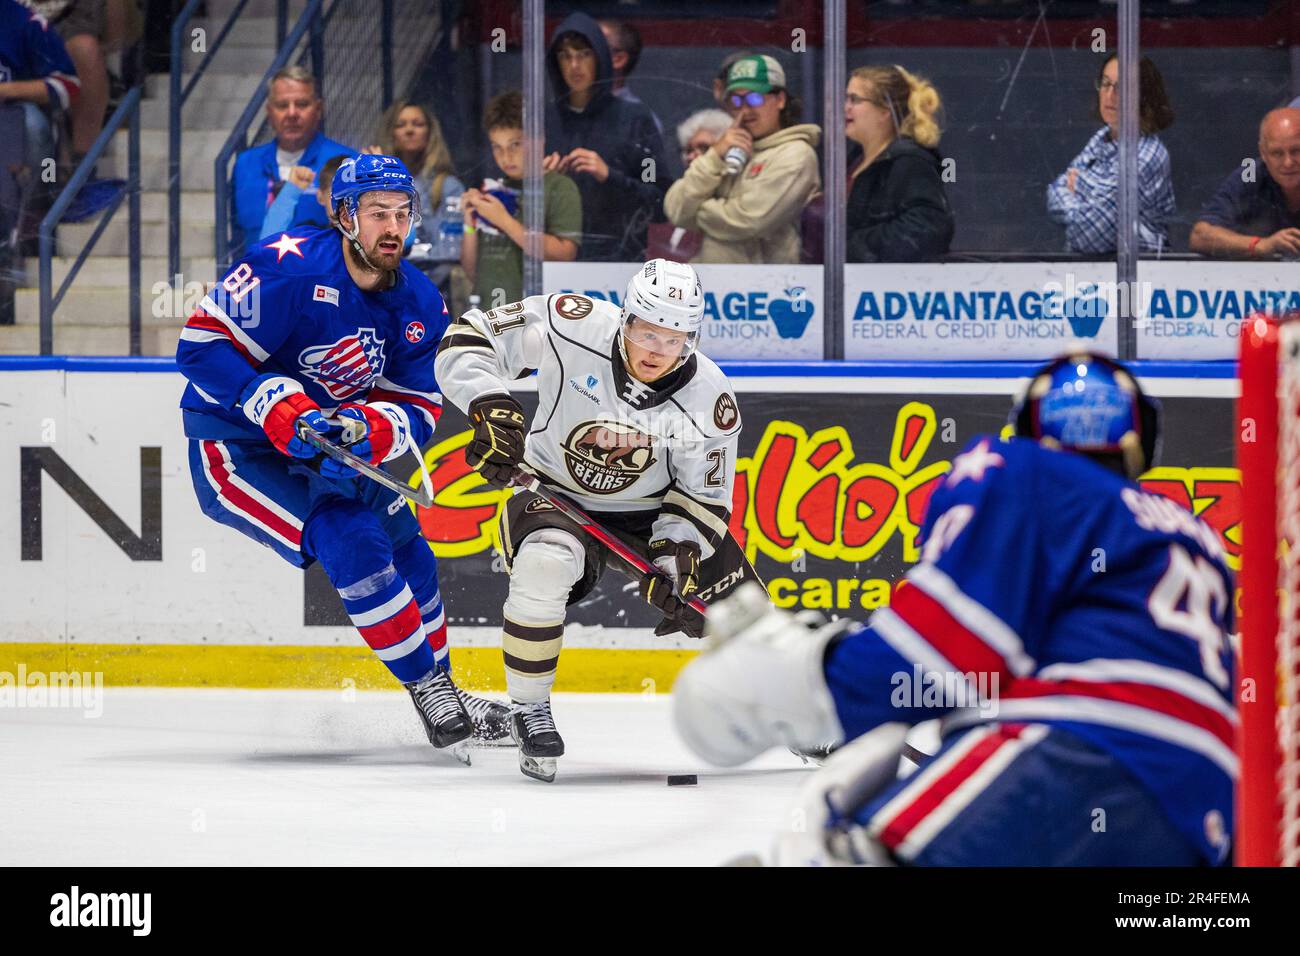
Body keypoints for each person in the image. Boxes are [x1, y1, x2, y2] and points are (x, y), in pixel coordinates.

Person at [675, 352, 1235, 867]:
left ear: (1032, 428)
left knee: (838, 854)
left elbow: (936, 662)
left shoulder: (1025, 470)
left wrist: (799, 675)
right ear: (1141, 438)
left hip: (1079, 752)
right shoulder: (1194, 535)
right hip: (1211, 808)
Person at [176, 154, 511, 758]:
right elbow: (200, 345)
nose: (393, 227)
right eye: (377, 213)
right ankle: (428, 686)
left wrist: (365, 427)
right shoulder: (288, 266)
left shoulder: (420, 302)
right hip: (236, 449)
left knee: (411, 550)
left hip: (328, 447)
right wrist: (273, 404)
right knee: (351, 536)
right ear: (343, 215)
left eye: (402, 214)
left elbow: (417, 402)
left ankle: (445, 690)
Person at [434, 259, 763, 782]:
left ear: (692, 339)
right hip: (555, 491)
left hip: (653, 512)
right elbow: (469, 337)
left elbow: (703, 496)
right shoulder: (571, 322)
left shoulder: (709, 399)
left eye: (674, 338)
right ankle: (529, 709)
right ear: (625, 320)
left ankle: (804, 716)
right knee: (544, 565)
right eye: (647, 331)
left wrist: (675, 558)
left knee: (747, 618)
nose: (656, 348)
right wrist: (489, 404)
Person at [664, 54, 821, 264]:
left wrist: (697, 212)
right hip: (715, 285)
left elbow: (748, 221)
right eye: (737, 100)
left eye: (755, 98)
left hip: (765, 288)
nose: (745, 110)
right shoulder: (730, 148)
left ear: (780, 100)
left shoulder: (796, 154)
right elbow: (676, 210)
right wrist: (712, 157)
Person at [543, 12, 673, 262]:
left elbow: (660, 202)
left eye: (584, 54)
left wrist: (609, 176)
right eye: (565, 55)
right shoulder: (542, 121)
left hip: (618, 265)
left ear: (601, 57)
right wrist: (537, 182)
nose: (574, 66)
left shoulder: (635, 120)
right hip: (553, 267)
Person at [460, 89, 581, 307]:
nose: (505, 157)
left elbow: (564, 254)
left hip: (539, 315)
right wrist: (469, 225)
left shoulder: (559, 186)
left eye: (515, 144)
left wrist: (504, 221)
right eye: (497, 147)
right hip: (489, 312)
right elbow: (473, 273)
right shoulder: (492, 191)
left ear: (539, 140)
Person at [1047, 54, 1176, 255]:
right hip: (1085, 278)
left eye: (1121, 87)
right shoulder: (1101, 138)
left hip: (1138, 279)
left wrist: (1078, 186)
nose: (1110, 95)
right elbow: (1054, 192)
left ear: (1143, 96)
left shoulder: (1147, 155)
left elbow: (1089, 237)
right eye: (1105, 84)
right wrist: (1090, 205)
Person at [229, 66, 351, 260]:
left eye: (302, 104)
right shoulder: (246, 164)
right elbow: (236, 235)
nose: (292, 113)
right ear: (269, 112)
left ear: (318, 109)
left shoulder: (345, 164)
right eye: (282, 105)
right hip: (260, 280)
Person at [844, 65, 954, 262]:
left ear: (885, 111)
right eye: (846, 99)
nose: (846, 107)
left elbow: (929, 227)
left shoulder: (907, 162)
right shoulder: (854, 161)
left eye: (855, 99)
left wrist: (853, 245)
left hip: (879, 288)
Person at [1, 0, 79, 271]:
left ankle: (29, 216)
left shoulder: (21, 19)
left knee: (31, 124)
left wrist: (6, 91)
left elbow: (67, 86)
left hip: (13, 121)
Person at [1190, 107, 1300, 259]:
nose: (1288, 162)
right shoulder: (1251, 175)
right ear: (1263, 153)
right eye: (1277, 153)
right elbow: (1201, 235)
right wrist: (1262, 245)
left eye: (1296, 151)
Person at [364, 100, 463, 252]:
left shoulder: (449, 186)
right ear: (391, 133)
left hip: (432, 272)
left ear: (430, 132)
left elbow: (452, 249)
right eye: (400, 125)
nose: (409, 130)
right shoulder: (373, 178)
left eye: (418, 124)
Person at [646, 108, 731, 262]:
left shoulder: (736, 200)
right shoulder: (673, 205)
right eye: (688, 150)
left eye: (704, 148)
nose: (692, 156)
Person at [258, 151, 349, 239]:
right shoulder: (310, 239)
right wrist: (291, 191)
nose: (346, 206)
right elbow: (267, 247)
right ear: (320, 197)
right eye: (337, 197)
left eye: (356, 196)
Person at [597, 18, 663, 135]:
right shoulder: (562, 111)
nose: (577, 57)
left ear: (618, 59)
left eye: (592, 45)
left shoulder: (640, 120)